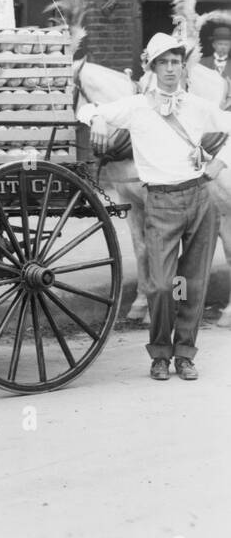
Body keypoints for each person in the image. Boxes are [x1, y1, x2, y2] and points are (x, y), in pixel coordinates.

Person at [78, 32, 231, 382]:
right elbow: (87, 108)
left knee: (192, 285)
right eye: (163, 62)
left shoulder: (196, 106)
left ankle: (185, 355)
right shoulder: (136, 107)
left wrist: (219, 163)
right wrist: (99, 119)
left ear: (183, 68)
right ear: (152, 68)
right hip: (160, 203)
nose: (170, 69)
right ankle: (160, 352)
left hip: (198, 198)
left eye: (176, 62)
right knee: (162, 285)